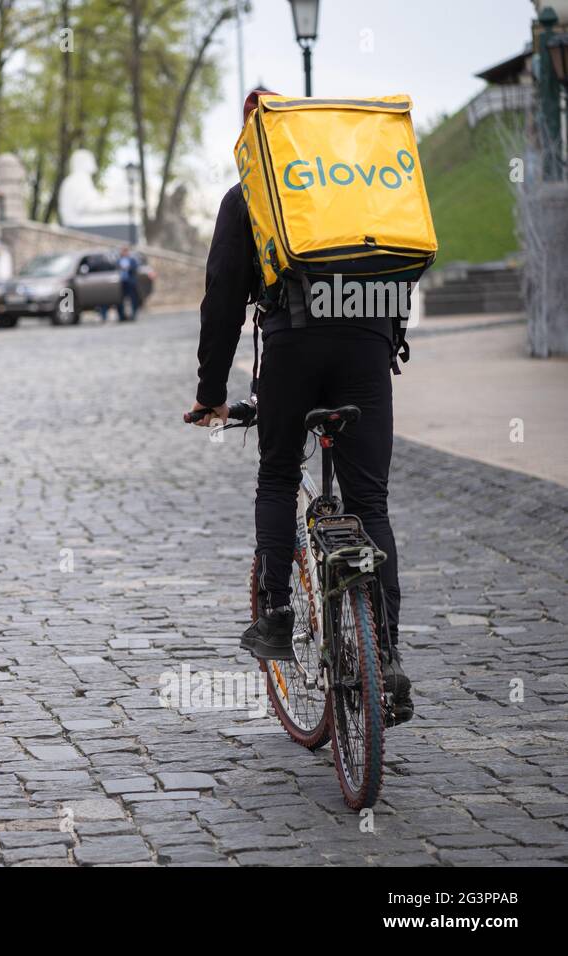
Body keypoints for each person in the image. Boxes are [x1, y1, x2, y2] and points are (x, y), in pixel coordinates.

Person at [187, 89, 412, 722]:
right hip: (367, 346)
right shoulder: (353, 189)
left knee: (280, 473)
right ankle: (387, 659)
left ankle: (279, 616)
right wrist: (382, 340)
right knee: (371, 505)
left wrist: (211, 395)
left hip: (292, 345)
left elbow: (223, 302)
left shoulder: (249, 196)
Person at [118, 246, 141, 322]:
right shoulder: (118, 260)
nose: (124, 253)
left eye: (125, 251)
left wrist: (127, 267)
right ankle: (122, 316)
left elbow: (135, 268)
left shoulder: (132, 260)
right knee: (120, 300)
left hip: (130, 282)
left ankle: (133, 315)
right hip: (121, 282)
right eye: (123, 251)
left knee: (133, 299)